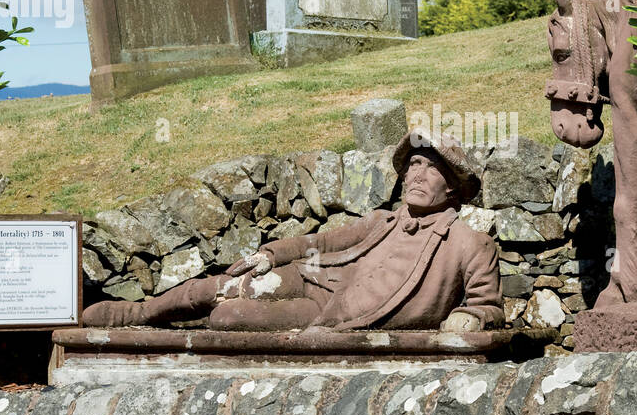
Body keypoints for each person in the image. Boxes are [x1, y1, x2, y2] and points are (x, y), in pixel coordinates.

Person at [81, 130, 503, 332]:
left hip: (329, 315)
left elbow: (488, 307)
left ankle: (176, 328)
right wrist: (273, 254)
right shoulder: (381, 221)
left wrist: (470, 317)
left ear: (453, 185)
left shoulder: (469, 244)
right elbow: (318, 242)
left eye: (431, 167)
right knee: (220, 288)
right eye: (413, 164)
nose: (417, 174)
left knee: (229, 318)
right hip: (310, 276)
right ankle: (140, 314)